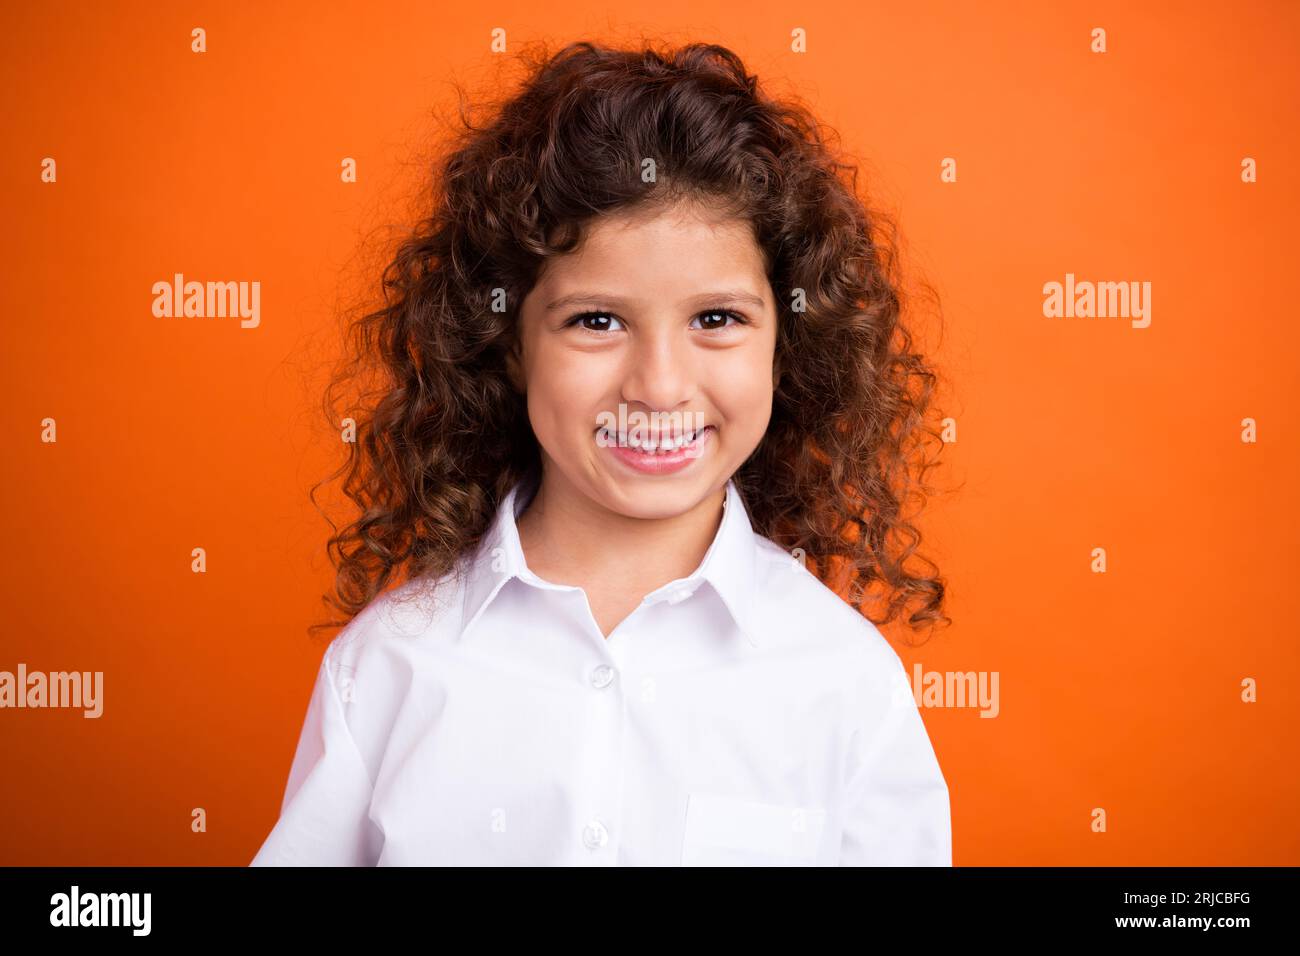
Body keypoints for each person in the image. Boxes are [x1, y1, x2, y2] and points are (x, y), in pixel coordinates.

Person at [251, 39, 952, 866]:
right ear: (508, 342)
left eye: (716, 319)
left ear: (785, 343)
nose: (659, 387)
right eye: (597, 321)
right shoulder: (389, 666)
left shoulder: (844, 680)